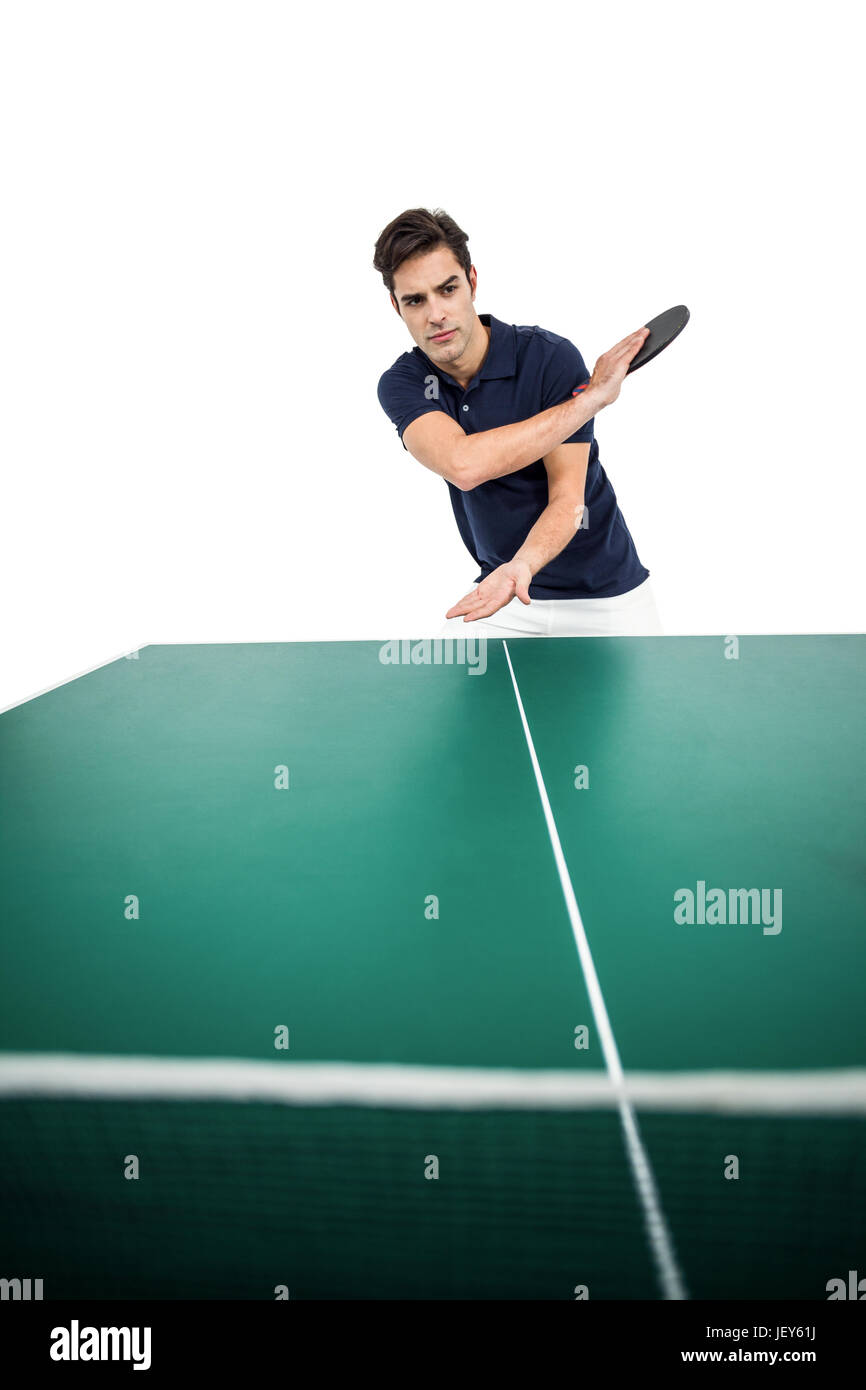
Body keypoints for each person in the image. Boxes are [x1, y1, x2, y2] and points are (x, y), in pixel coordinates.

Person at [374, 207, 663, 638]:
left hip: (607, 600)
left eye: (447, 289)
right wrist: (591, 400)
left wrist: (522, 565)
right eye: (416, 300)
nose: (435, 314)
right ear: (396, 306)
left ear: (472, 282)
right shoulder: (405, 384)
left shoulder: (548, 358)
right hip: (503, 599)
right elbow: (464, 465)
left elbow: (568, 500)